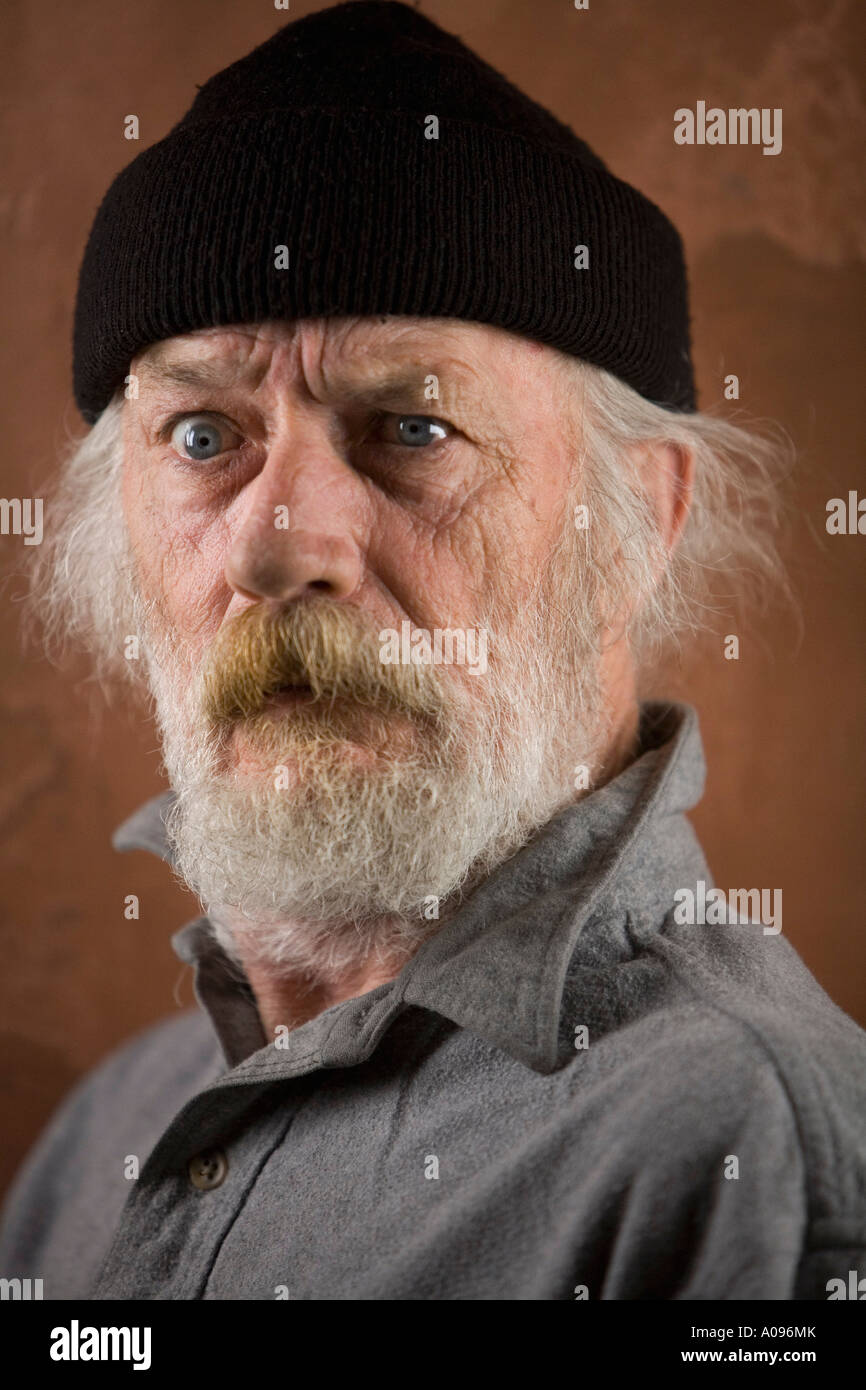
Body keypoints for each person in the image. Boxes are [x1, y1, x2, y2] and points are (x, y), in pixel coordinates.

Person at [2, 0, 864, 1301]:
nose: (276, 548)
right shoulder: (101, 1136)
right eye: (200, 436)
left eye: (408, 426)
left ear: (641, 519)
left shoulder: (740, 1146)